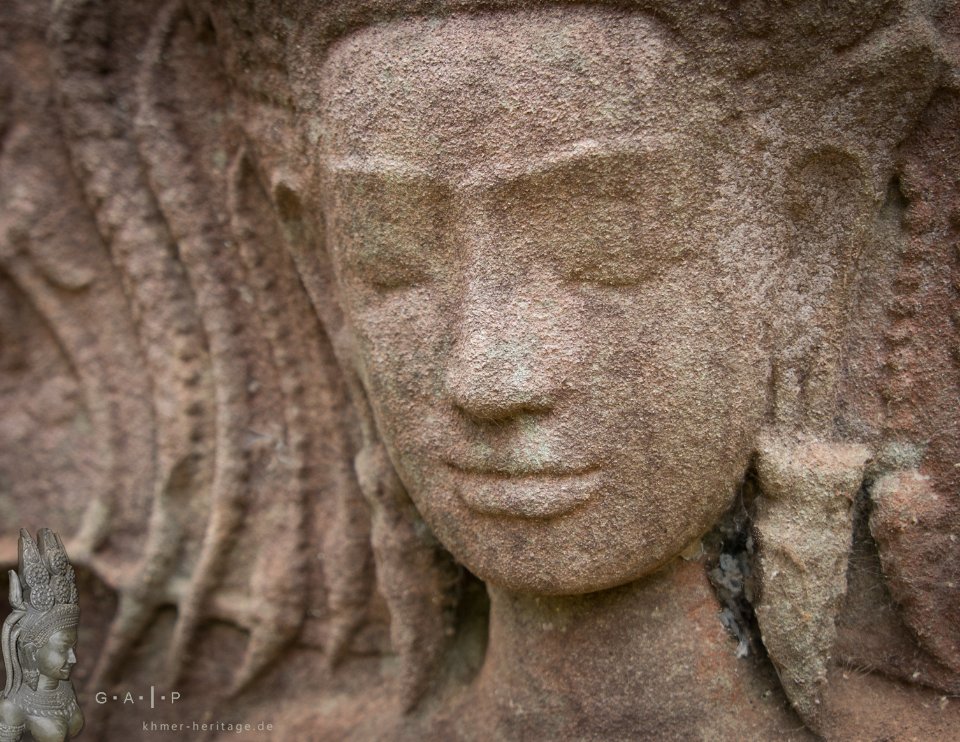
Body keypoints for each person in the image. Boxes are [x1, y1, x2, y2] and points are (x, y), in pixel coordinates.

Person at [0, 529, 83, 742]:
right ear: (32, 650)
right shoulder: (12, 707)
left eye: (73, 647)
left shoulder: (65, 688)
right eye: (63, 648)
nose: (73, 658)